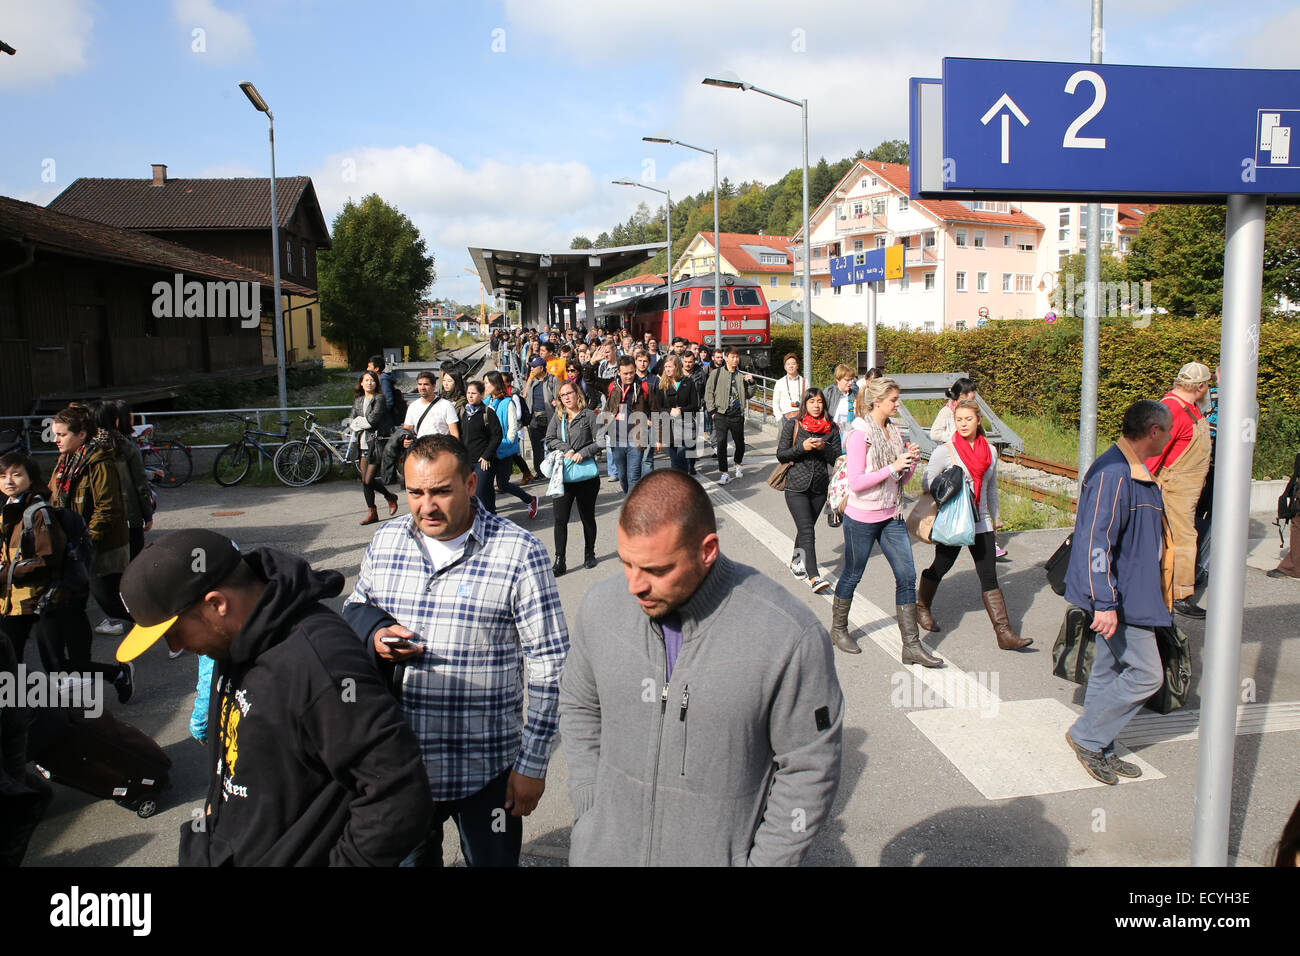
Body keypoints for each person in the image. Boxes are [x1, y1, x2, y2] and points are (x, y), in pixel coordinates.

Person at [558, 470, 843, 866]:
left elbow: (810, 767)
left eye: (657, 570)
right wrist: (591, 802)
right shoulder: (600, 608)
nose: (634, 586)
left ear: (707, 550)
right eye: (627, 563)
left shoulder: (788, 637)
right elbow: (578, 706)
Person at [115, 529, 431, 865]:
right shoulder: (231, 643)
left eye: (174, 632)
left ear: (217, 604)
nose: (174, 647)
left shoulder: (320, 660)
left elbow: (399, 796)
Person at [343, 435, 569, 867]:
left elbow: (551, 664)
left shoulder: (520, 553)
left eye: (441, 491)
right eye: (415, 492)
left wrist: (533, 765)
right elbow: (356, 608)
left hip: (487, 769)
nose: (426, 506)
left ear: (469, 483)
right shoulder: (386, 541)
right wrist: (375, 636)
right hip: (399, 771)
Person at [1064, 399, 1175, 785]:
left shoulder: (1131, 468)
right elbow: (1097, 540)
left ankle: (1100, 743)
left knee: (1109, 670)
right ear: (1154, 431)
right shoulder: (1115, 472)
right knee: (1146, 675)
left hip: (1131, 594)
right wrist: (1105, 602)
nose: (1172, 434)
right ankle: (1087, 736)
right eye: (1169, 428)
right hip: (1119, 597)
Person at [829, 378, 939, 665]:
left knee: (906, 576)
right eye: (893, 399)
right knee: (853, 573)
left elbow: (901, 478)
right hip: (862, 516)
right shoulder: (859, 434)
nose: (897, 404)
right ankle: (838, 629)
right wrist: (892, 466)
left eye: (897, 398)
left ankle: (911, 646)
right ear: (877, 402)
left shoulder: (893, 432)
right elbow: (856, 482)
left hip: (892, 514)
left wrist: (910, 462)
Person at [917, 400, 1031, 650]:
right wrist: (950, 484)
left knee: (989, 576)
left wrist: (996, 516)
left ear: (979, 420)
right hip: (956, 521)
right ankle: (922, 605)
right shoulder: (946, 451)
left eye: (968, 419)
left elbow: (990, 488)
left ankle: (1004, 634)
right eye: (959, 420)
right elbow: (928, 483)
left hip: (982, 523)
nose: (963, 424)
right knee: (941, 567)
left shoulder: (990, 451)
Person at [48, 404, 138, 698]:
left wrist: (83, 541)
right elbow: (54, 497)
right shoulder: (65, 462)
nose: (56, 439)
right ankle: (83, 673)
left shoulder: (99, 462)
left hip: (98, 547)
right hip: (71, 549)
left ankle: (162, 623)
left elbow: (108, 508)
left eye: (61, 434)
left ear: (81, 434)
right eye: (54, 434)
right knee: (71, 609)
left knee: (111, 603)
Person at [1144, 362, 1213, 619]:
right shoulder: (1172, 410)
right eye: (1208, 385)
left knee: (1172, 539)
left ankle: (1166, 587)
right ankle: (1180, 594)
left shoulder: (1188, 407)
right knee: (1183, 540)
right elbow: (1153, 452)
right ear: (1201, 387)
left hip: (1185, 489)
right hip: (1175, 489)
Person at [777, 389, 842, 594]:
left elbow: (837, 459)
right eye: (812, 401)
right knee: (807, 530)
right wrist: (802, 447)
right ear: (805, 404)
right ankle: (814, 576)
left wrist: (824, 447)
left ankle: (796, 561)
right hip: (796, 487)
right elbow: (781, 455)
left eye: (820, 402)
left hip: (819, 488)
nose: (816, 405)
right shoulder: (793, 425)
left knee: (805, 528)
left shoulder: (831, 429)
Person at [545, 379, 601, 575]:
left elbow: (601, 440)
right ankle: (560, 560)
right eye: (563, 395)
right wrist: (567, 449)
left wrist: (583, 453)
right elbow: (549, 439)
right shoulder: (558, 417)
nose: (567, 397)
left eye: (570, 393)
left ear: (577, 394)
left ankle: (589, 553)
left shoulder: (589, 416)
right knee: (560, 519)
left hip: (586, 476)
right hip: (564, 476)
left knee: (587, 517)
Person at [585, 354, 653, 494]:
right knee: (622, 476)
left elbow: (655, 408)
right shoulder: (611, 385)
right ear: (618, 372)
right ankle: (629, 499)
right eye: (625, 373)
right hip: (616, 438)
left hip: (636, 438)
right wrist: (592, 363)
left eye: (632, 372)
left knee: (634, 476)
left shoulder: (644, 386)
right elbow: (589, 379)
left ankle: (631, 507)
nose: (629, 376)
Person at [484, 371, 539, 519]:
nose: (485, 386)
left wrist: (504, 443)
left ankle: (530, 499)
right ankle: (490, 514)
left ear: (495, 384)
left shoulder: (507, 402)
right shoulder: (485, 403)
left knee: (503, 484)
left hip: (503, 450)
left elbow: (512, 428)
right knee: (486, 483)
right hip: (488, 451)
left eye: (487, 383)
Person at [353, 370, 398, 526]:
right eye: (366, 380)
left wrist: (360, 421)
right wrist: (358, 422)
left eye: (372, 380)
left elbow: (372, 420)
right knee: (365, 481)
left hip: (377, 443)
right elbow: (351, 421)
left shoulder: (380, 398)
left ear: (376, 383)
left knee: (368, 479)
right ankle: (372, 511)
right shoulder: (358, 401)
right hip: (362, 444)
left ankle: (389, 496)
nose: (369, 383)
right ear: (361, 383)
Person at [705, 347, 756, 485]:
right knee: (721, 444)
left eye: (737, 357)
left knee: (739, 442)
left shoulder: (741, 376)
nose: (735, 359)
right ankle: (724, 473)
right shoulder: (716, 374)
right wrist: (712, 412)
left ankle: (738, 464)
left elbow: (749, 395)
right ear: (726, 358)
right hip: (721, 414)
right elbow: (708, 392)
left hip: (737, 415)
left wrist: (751, 383)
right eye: (732, 357)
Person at [462, 380, 503, 513]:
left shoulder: (487, 412)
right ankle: (491, 516)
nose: (470, 396)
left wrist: (486, 456)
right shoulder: (464, 412)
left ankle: (485, 519)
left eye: (474, 393)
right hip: (467, 460)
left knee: (478, 492)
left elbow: (497, 436)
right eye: (468, 393)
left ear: (481, 395)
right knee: (484, 493)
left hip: (483, 460)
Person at [523, 356, 559, 479]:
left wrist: (557, 403)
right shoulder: (533, 382)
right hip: (534, 420)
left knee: (552, 446)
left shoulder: (552, 380)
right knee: (536, 448)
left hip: (550, 419)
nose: (531, 369)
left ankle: (553, 470)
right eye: (531, 367)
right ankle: (540, 472)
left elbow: (559, 399)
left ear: (541, 368)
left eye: (534, 367)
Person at [929, 378, 977, 443]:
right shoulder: (947, 411)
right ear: (962, 394)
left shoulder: (973, 410)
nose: (974, 395)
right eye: (973, 392)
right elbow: (934, 434)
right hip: (954, 451)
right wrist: (956, 438)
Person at [824, 363, 859, 442]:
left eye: (852, 379)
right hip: (831, 436)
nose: (850, 383)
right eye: (847, 380)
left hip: (850, 436)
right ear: (837, 379)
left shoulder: (855, 394)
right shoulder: (829, 392)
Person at [770, 353, 807, 420]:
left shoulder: (804, 382)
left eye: (793, 364)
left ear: (797, 366)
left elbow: (808, 401)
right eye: (788, 364)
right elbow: (775, 403)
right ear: (785, 367)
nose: (791, 366)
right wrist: (779, 418)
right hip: (785, 418)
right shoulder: (780, 382)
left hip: (801, 419)